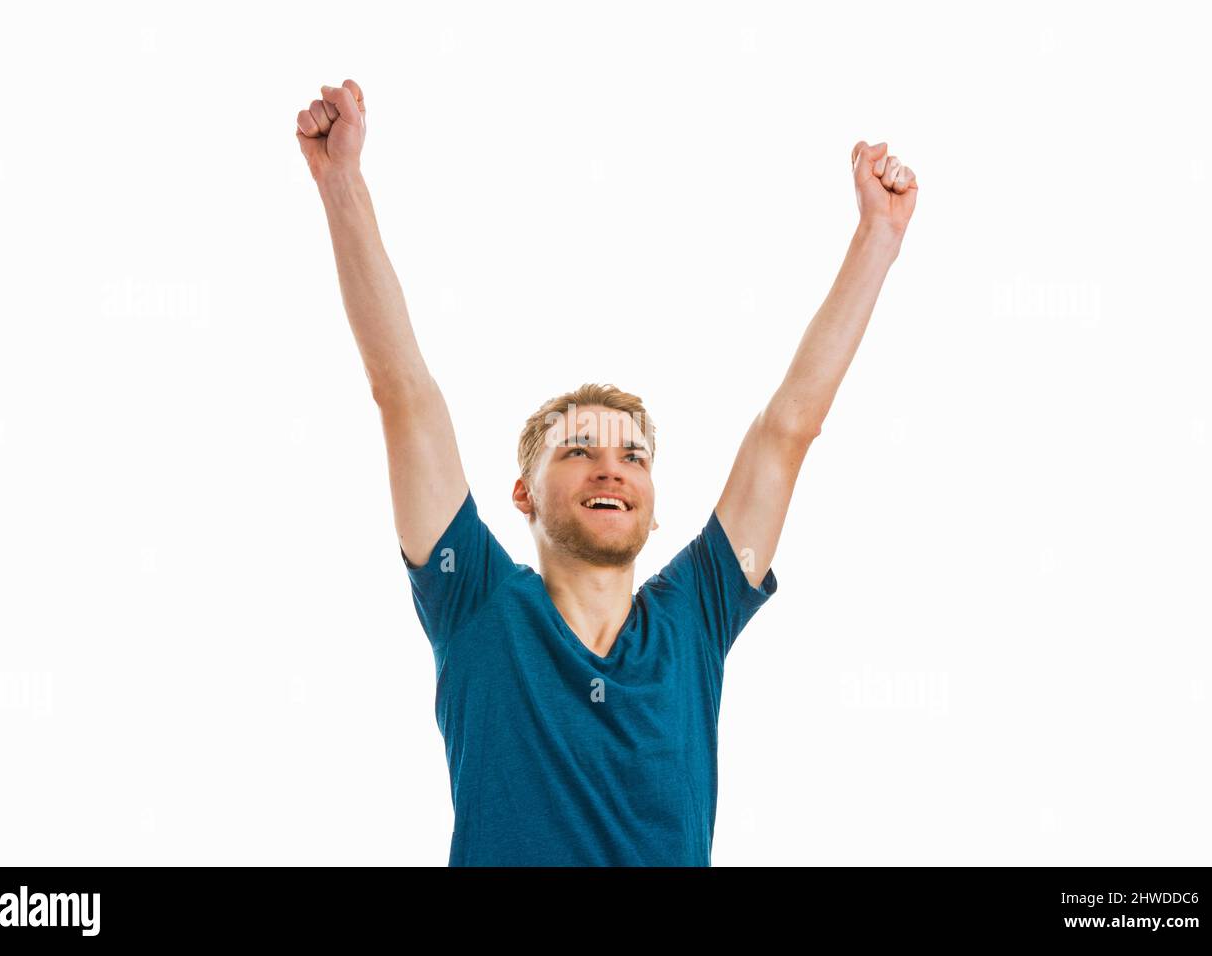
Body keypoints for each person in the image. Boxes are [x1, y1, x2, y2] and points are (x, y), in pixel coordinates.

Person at [296, 79, 917, 865]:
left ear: (654, 506)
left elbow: (788, 430)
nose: (611, 469)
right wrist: (341, 180)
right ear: (523, 493)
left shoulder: (697, 615)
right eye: (579, 449)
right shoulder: (475, 600)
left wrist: (878, 237)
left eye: (632, 456)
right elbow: (404, 395)